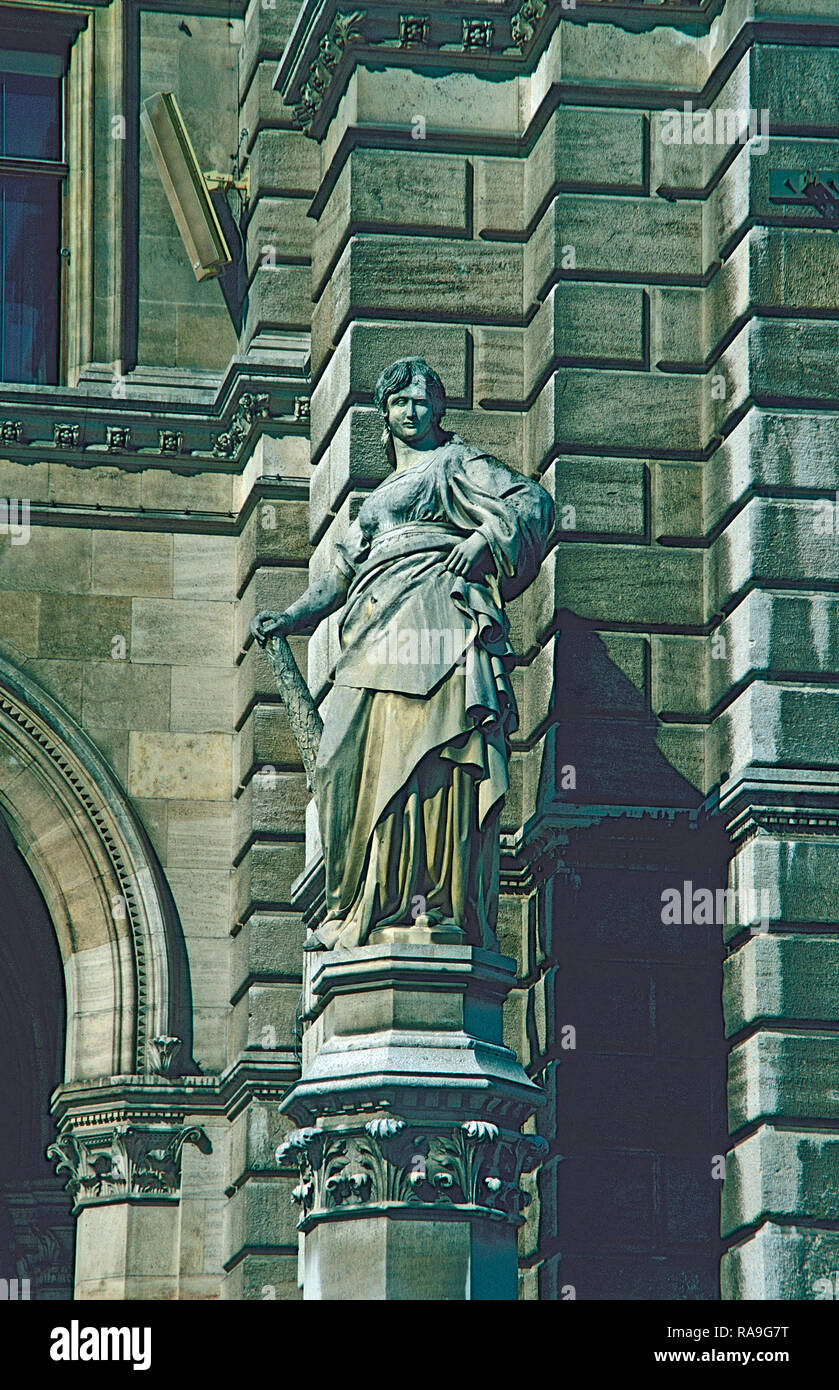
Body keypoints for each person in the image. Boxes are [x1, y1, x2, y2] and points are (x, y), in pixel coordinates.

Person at [251, 357, 554, 950]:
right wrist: (290, 617)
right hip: (373, 625)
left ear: (437, 410)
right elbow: (338, 576)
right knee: (342, 756)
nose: (411, 412)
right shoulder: (372, 501)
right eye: (399, 403)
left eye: (421, 402)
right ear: (384, 415)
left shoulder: (455, 463)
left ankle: (428, 903)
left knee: (431, 754)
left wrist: (483, 541)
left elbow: (534, 503)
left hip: (436, 618)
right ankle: (357, 900)